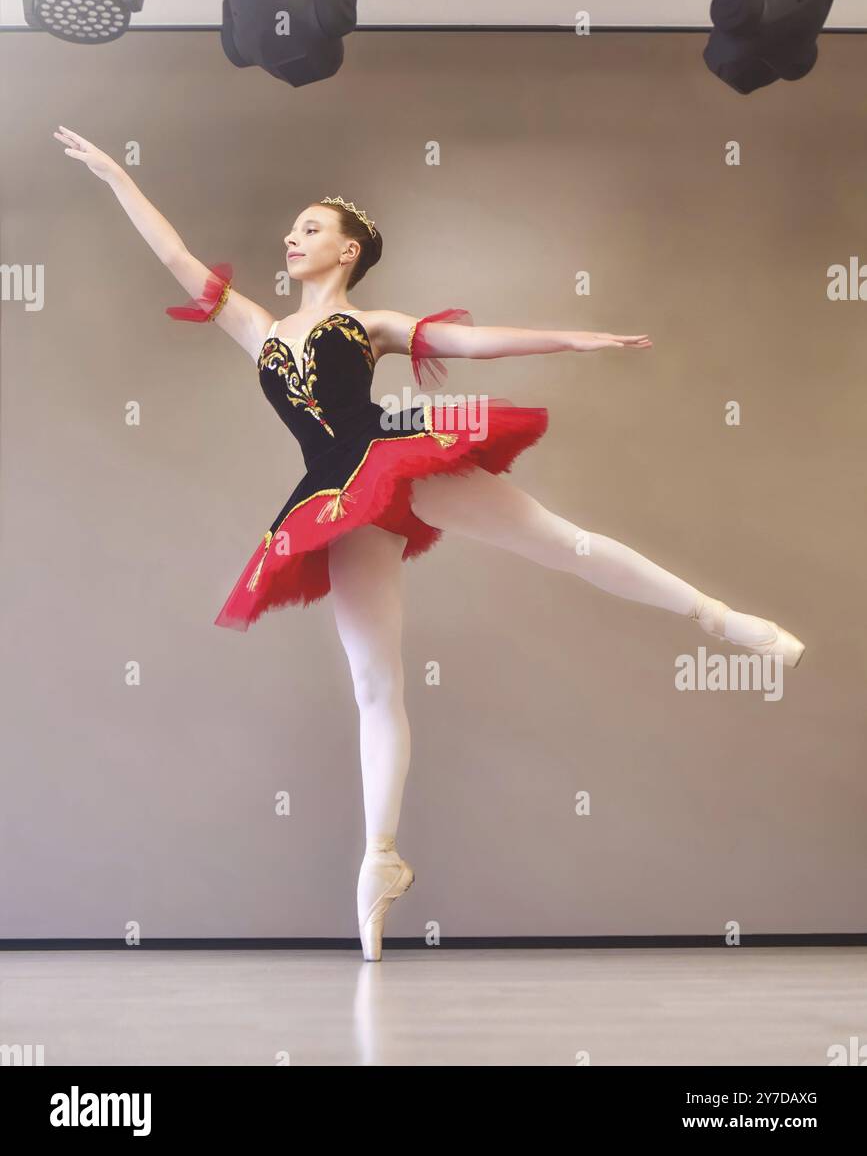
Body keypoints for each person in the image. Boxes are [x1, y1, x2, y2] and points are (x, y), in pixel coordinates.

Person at [54, 124, 805, 961]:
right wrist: (118, 177)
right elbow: (177, 257)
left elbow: (471, 342)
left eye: (309, 229)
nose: (290, 238)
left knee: (569, 546)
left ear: (346, 250)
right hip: (332, 500)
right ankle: (379, 860)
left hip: (392, 455)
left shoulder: (367, 322)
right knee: (375, 685)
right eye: (292, 229)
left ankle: (717, 618)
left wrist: (575, 338)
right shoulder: (259, 330)